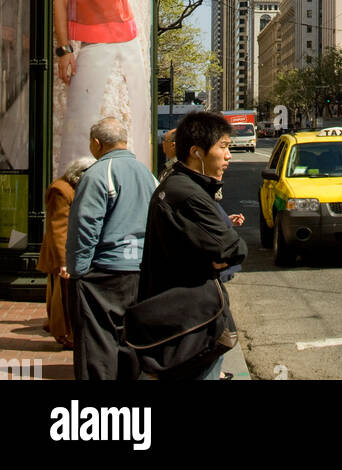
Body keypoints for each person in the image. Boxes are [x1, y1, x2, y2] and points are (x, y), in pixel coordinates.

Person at [138, 111, 247, 380]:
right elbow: (235, 249)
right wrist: (211, 258)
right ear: (197, 152)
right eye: (223, 147)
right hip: (191, 324)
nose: (228, 155)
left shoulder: (179, 185)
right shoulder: (186, 193)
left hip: (185, 319)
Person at [53, 0, 150, 174]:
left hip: (129, 34)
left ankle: (141, 176)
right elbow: (58, 0)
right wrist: (64, 48)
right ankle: (69, 181)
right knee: (82, 115)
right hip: (94, 40)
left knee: (140, 113)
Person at [66, 117, 157, 379]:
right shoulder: (146, 174)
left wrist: (78, 271)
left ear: (96, 143)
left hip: (105, 274)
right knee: (132, 345)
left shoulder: (97, 174)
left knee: (97, 348)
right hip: (140, 270)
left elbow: (85, 225)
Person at [36, 155, 94, 349]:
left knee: (62, 295)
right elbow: (59, 227)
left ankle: (61, 329)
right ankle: (64, 333)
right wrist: (63, 261)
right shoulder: (60, 190)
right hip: (61, 252)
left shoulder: (72, 187)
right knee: (61, 296)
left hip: (71, 250)